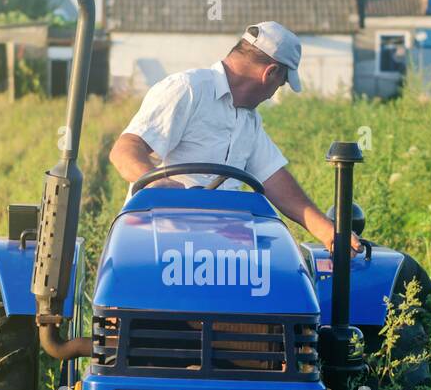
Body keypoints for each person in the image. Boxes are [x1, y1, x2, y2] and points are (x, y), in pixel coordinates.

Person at [108, 22, 361, 253]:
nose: (273, 94)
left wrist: (327, 231)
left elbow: (273, 177)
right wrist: (156, 183)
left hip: (226, 248)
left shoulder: (249, 120)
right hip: (161, 242)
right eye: (280, 84)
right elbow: (125, 149)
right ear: (270, 73)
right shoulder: (187, 90)